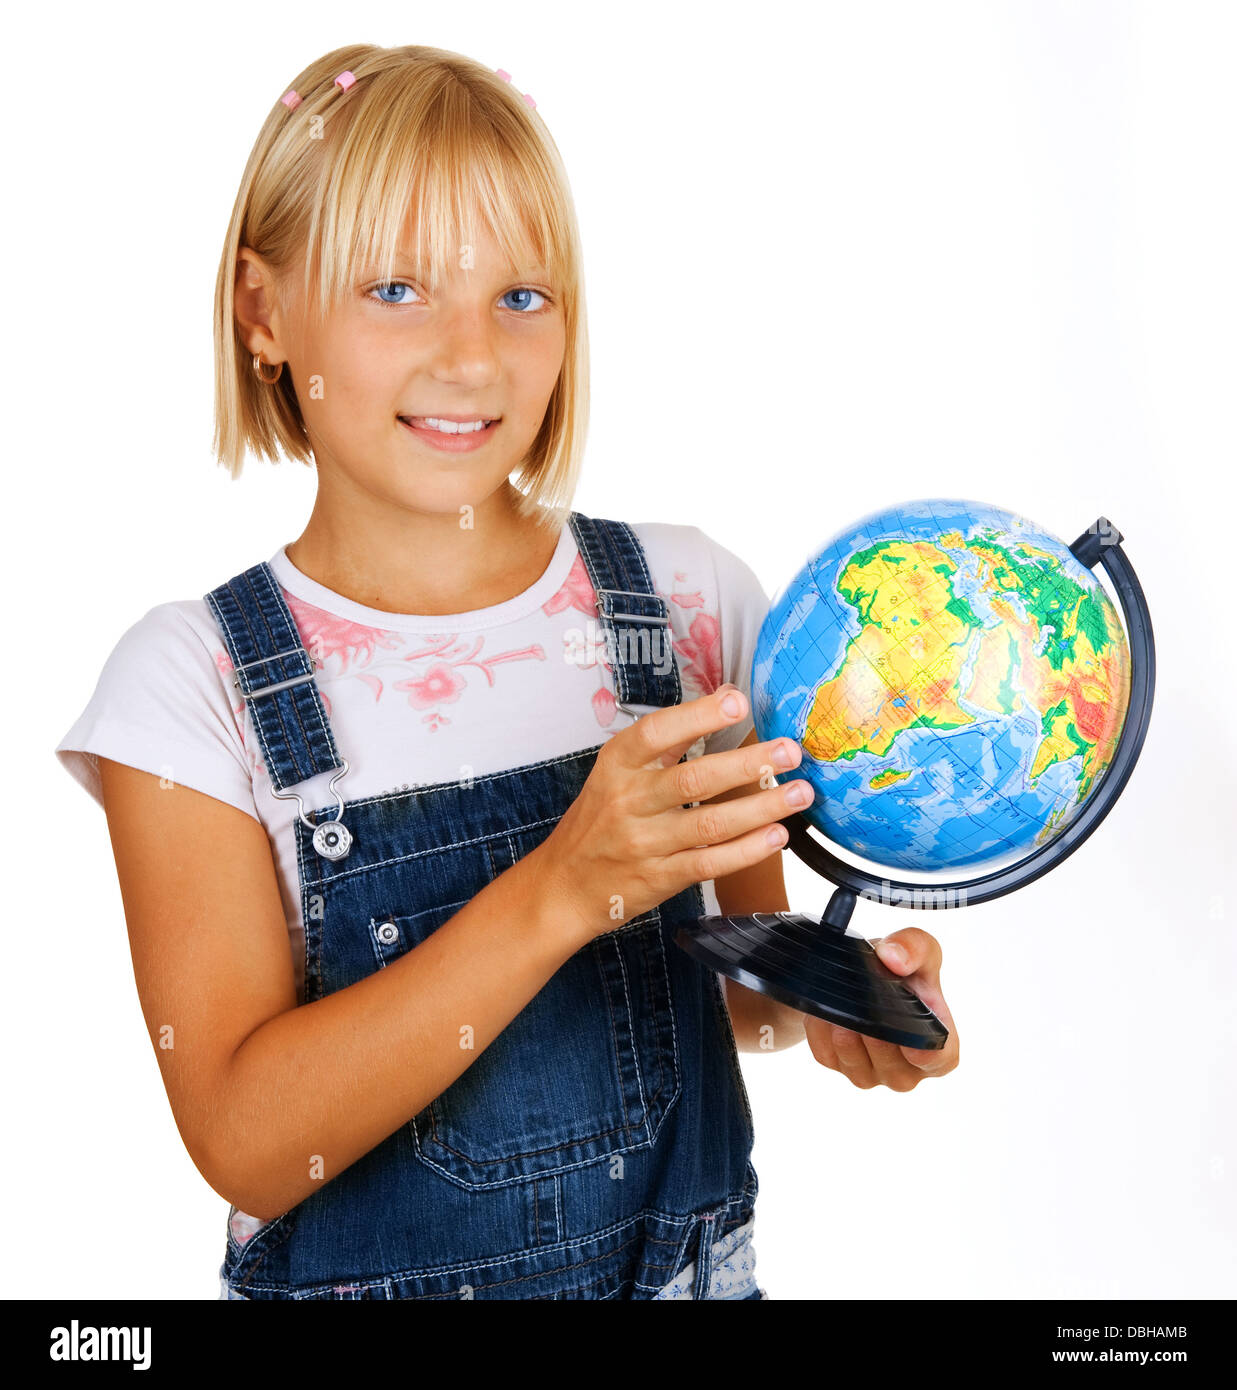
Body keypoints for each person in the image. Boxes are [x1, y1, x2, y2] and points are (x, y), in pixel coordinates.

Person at [54, 42, 959, 1301]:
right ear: (264, 313)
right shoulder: (196, 685)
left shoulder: (681, 610)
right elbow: (249, 1140)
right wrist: (559, 891)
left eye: (520, 296)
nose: (470, 356)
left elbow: (731, 1000)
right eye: (395, 288)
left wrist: (827, 1003)